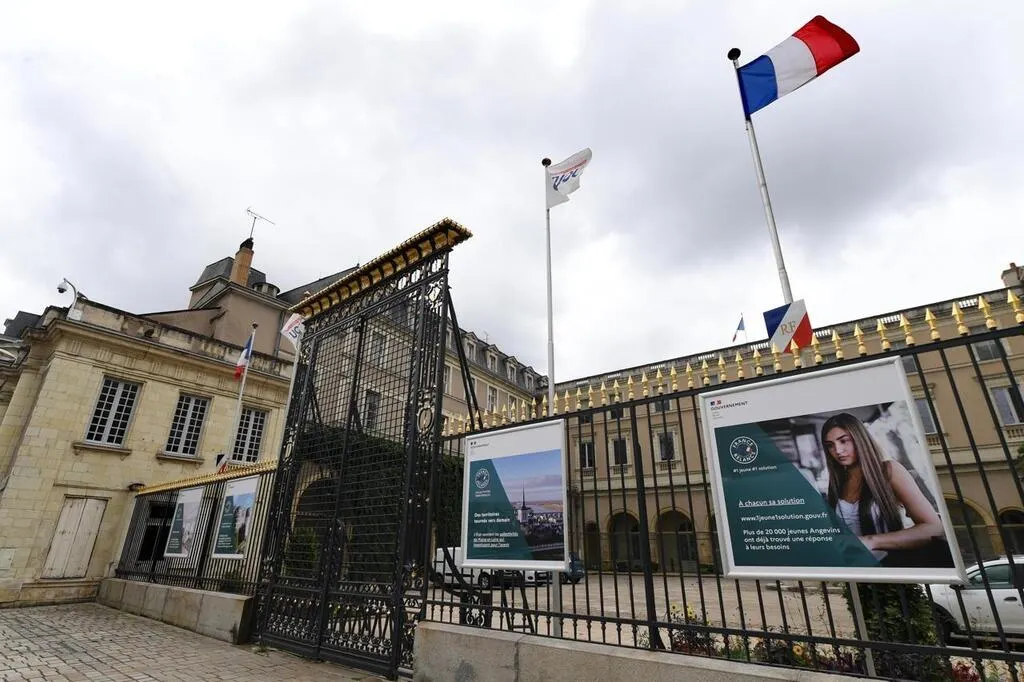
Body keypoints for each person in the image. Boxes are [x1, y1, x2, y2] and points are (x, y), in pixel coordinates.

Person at [821, 412, 947, 564]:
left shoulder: (889, 470)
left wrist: (871, 541)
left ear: (859, 439)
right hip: (854, 569)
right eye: (830, 445)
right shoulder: (836, 482)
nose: (838, 450)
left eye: (843, 441)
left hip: (891, 567)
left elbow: (933, 527)